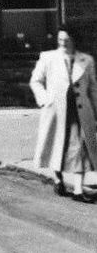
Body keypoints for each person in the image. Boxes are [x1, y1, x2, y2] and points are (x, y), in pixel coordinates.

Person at [30, 26, 97, 202]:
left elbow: (92, 89)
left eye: (66, 40)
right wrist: (45, 99)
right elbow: (36, 81)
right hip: (56, 111)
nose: (62, 44)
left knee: (81, 149)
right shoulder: (48, 58)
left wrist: (96, 112)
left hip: (81, 112)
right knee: (56, 145)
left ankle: (77, 190)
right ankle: (58, 179)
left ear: (74, 40)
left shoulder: (86, 61)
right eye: (60, 40)